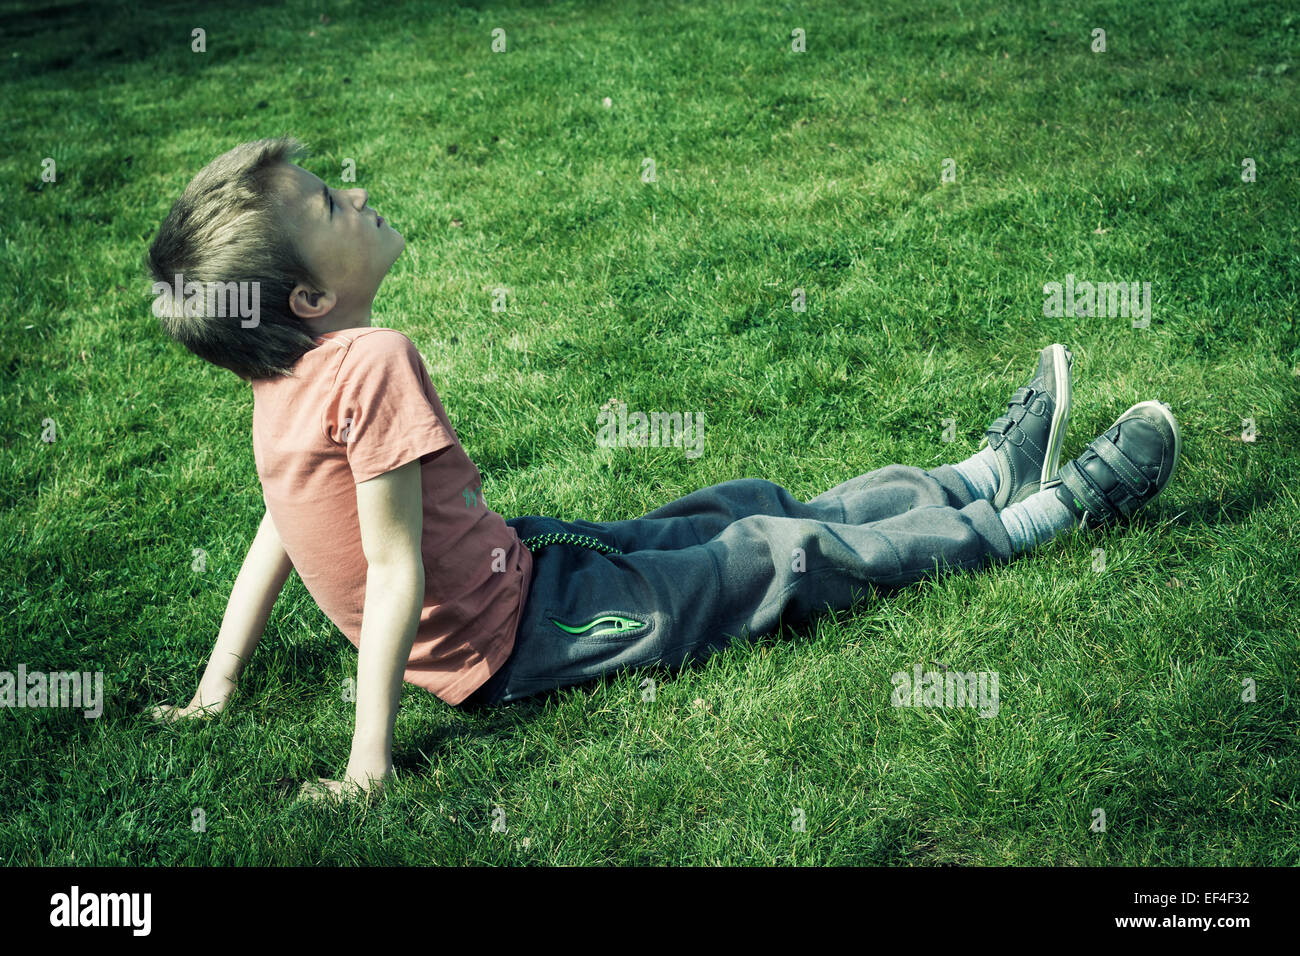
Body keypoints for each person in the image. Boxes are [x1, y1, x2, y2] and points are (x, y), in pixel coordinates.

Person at [144, 138, 1181, 800]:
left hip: (528, 564)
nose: (356, 191)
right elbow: (394, 568)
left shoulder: (279, 384)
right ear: (310, 303)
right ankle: (1044, 515)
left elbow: (279, 524)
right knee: (787, 555)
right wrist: (369, 759)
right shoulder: (368, 359)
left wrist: (215, 686)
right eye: (329, 203)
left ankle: (972, 473)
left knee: (740, 510)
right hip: (522, 642)